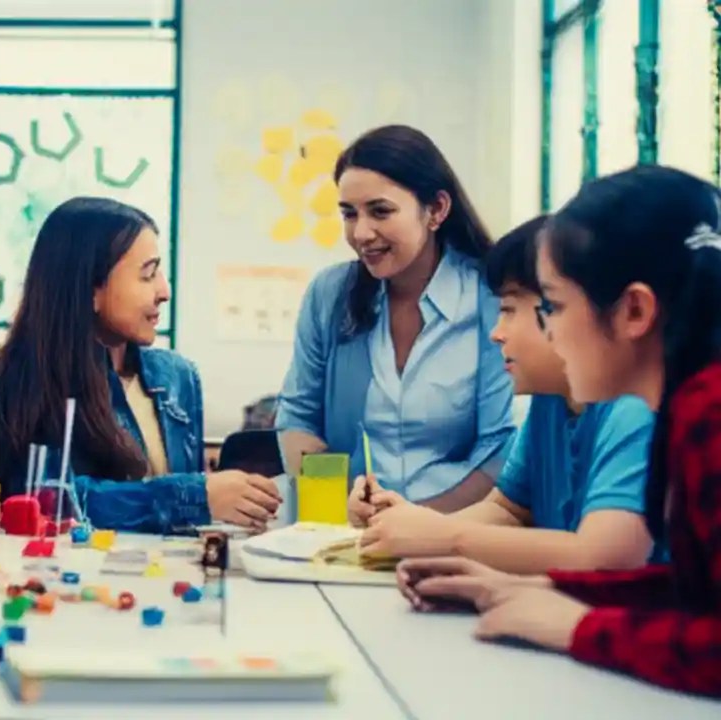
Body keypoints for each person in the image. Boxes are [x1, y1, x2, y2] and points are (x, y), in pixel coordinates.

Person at [401, 166, 721, 697]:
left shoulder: (708, 411)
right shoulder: (689, 403)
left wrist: (574, 625)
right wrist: (541, 587)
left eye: (553, 306)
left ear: (634, 311)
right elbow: (699, 595)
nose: (547, 329)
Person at [353, 216, 660, 574]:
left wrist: (447, 537)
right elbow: (508, 510)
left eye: (510, 311)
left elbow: (607, 558)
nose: (497, 334)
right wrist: (416, 526)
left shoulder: (635, 408)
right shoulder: (552, 401)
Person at [0, 196, 282, 533]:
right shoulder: (19, 380)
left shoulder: (178, 378)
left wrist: (227, 499)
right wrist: (195, 496)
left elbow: (188, 522)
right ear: (90, 289)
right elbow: (46, 502)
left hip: (171, 577)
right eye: (147, 275)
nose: (164, 291)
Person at [276, 125, 514, 511]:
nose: (362, 233)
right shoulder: (329, 295)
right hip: (346, 533)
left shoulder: (491, 297)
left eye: (380, 211)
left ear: (436, 209)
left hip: (455, 530)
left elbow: (500, 447)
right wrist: (338, 507)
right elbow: (298, 419)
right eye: (349, 214)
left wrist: (414, 522)